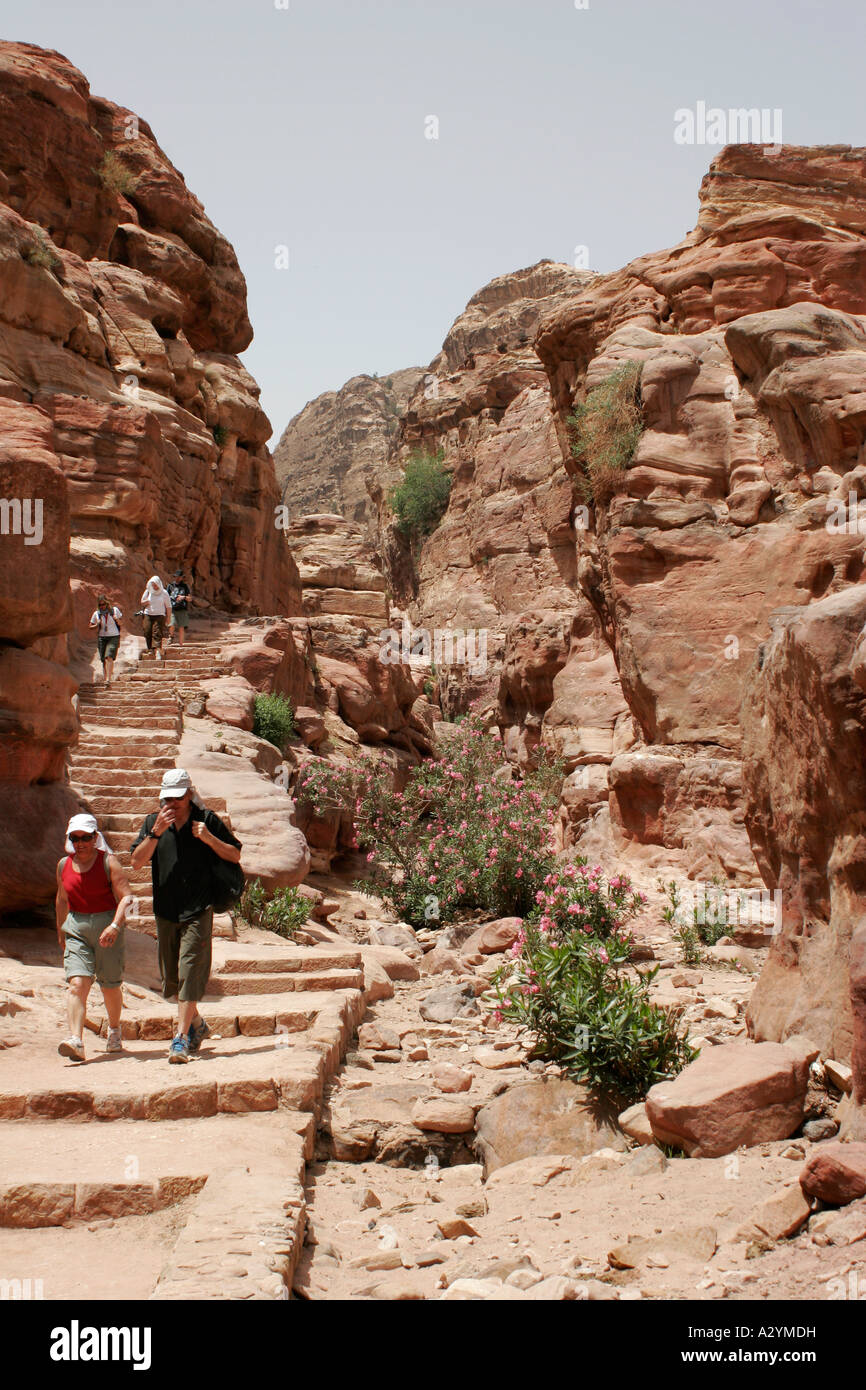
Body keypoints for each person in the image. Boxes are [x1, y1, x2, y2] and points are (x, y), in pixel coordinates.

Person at [129, 769, 242, 1064]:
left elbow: (235, 855)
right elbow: (136, 862)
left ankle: (180, 1039)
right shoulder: (154, 823)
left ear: (189, 794)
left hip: (198, 909)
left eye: (178, 797)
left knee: (190, 970)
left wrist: (209, 840)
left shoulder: (207, 821)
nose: (173, 803)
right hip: (165, 910)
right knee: (171, 980)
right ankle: (197, 1024)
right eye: (168, 797)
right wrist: (155, 834)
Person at [56, 813, 133, 1062]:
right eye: (75, 838)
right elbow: (62, 900)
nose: (80, 843)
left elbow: (127, 898)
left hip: (106, 924)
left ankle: (113, 1029)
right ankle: (76, 1040)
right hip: (76, 926)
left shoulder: (108, 862)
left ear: (95, 838)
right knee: (77, 983)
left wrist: (114, 926)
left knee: (109, 983)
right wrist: (61, 931)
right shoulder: (63, 865)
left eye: (86, 838)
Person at [89, 595, 123, 686]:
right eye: (100, 605)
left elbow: (121, 623)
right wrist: (97, 624)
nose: (102, 606)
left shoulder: (114, 611)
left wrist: (116, 619)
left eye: (103, 604)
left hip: (114, 636)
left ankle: (108, 679)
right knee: (103, 659)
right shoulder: (97, 613)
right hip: (102, 637)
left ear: (107, 603)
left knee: (109, 656)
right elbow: (90, 626)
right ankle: (106, 678)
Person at [140, 575, 172, 663]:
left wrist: (168, 617)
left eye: (155, 584)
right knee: (147, 631)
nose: (154, 586)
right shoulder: (148, 591)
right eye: (153, 584)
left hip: (160, 615)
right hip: (148, 614)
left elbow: (168, 607)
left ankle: (157, 651)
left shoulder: (164, 593)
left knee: (157, 632)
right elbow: (142, 602)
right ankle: (150, 649)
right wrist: (147, 602)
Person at [167, 570, 192, 646]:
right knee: (171, 624)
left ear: (182, 578)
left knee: (181, 627)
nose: (177, 578)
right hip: (173, 608)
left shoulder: (185, 587)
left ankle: (181, 644)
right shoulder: (170, 586)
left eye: (179, 577)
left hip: (182, 609)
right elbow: (166, 597)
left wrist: (183, 597)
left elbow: (190, 598)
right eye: (176, 577)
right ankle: (171, 636)